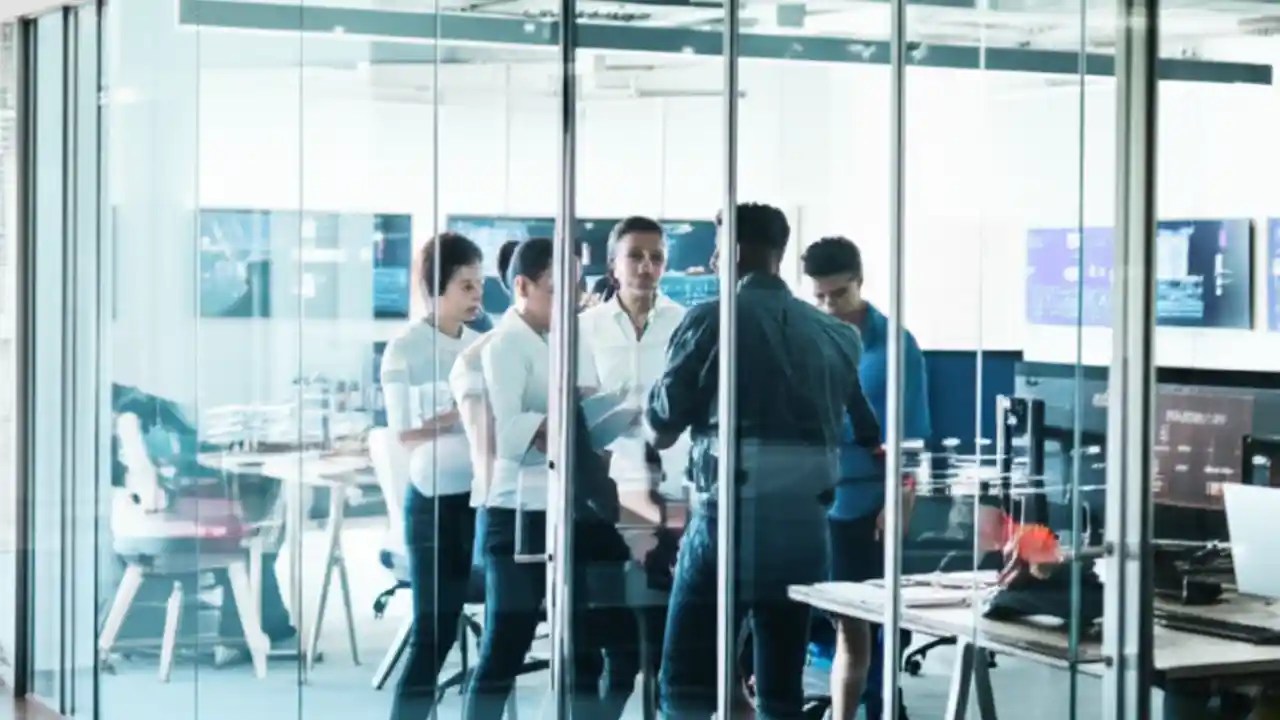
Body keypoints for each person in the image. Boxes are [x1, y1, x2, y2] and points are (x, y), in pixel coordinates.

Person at [646, 203, 883, 719]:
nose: (711, 261)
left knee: (684, 684)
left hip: (727, 525)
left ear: (732, 252)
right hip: (804, 532)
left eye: (716, 250)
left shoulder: (709, 320)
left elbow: (662, 426)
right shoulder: (839, 335)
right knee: (780, 689)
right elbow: (866, 429)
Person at [463, 237, 636, 720]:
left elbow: (581, 407)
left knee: (585, 644)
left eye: (575, 287)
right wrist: (563, 421)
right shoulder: (502, 346)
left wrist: (585, 415)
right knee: (506, 643)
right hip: (514, 513)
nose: (571, 298)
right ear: (522, 286)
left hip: (570, 508)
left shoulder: (569, 336)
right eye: (556, 288)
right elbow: (512, 427)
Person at [802, 235, 931, 720]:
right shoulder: (807, 334)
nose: (829, 305)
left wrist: (900, 501)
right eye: (819, 296)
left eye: (839, 294)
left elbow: (913, 439)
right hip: (811, 500)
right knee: (836, 621)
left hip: (868, 504)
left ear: (860, 282)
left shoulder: (898, 346)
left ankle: (874, 708)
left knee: (868, 623)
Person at [578, 216, 689, 709]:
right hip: (610, 496)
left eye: (657, 257)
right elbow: (580, 414)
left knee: (670, 636)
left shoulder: (687, 322)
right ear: (613, 265)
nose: (647, 267)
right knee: (619, 642)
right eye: (636, 256)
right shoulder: (585, 328)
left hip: (674, 492)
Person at [382, 232, 486, 720]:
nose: (476, 297)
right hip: (433, 505)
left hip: (479, 498)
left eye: (479, 286)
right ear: (436, 287)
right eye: (466, 286)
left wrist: (453, 412)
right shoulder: (404, 349)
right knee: (434, 633)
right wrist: (463, 411)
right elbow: (404, 433)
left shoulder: (481, 345)